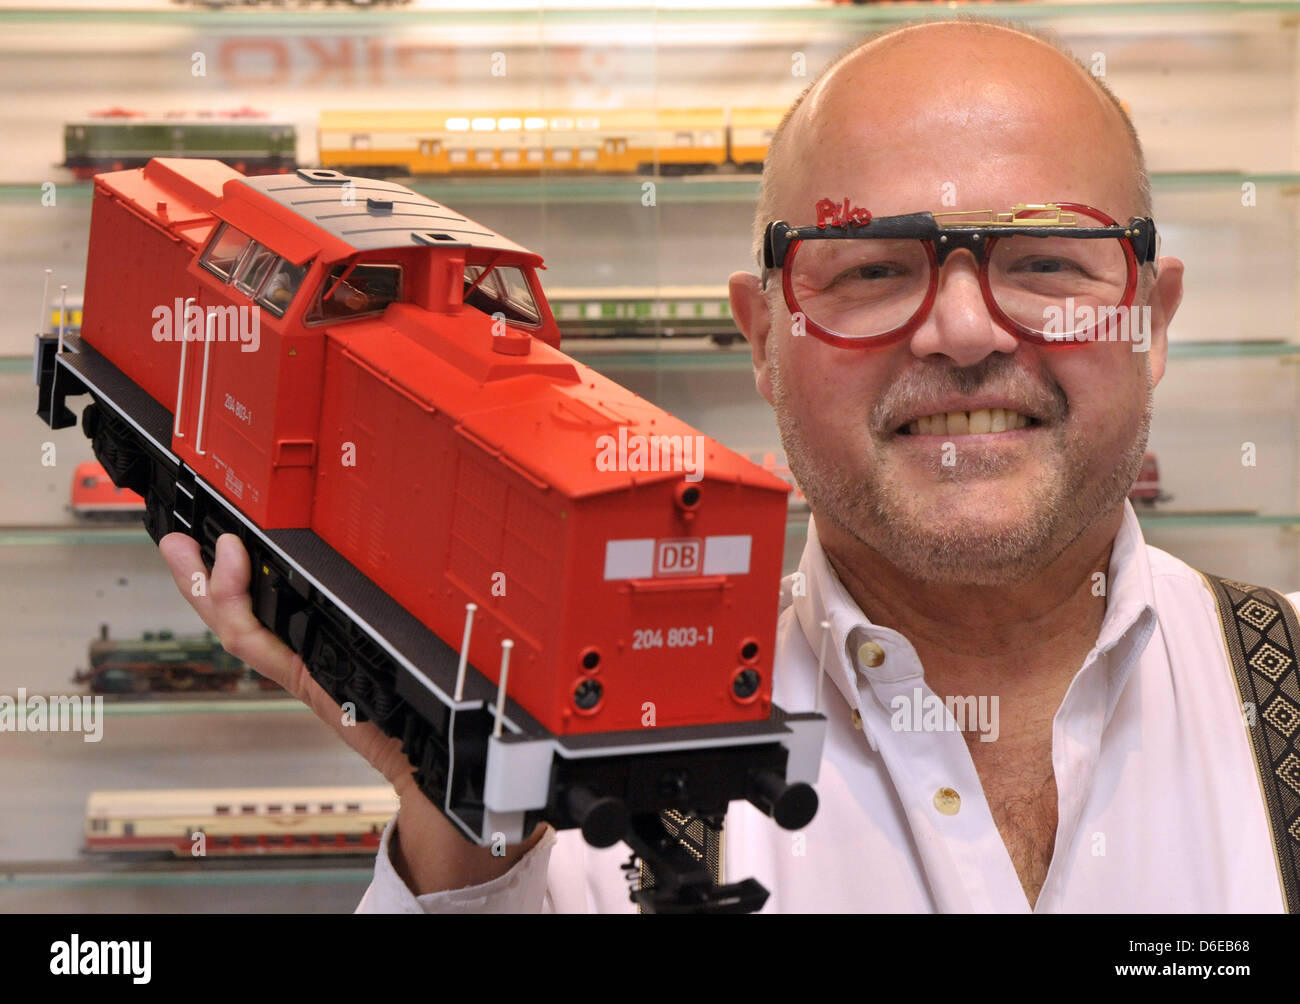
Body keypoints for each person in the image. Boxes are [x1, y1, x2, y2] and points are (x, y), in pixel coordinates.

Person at [159, 17, 1294, 912]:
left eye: (1047, 259)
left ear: (1149, 322)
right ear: (761, 337)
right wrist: (460, 824)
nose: (961, 329)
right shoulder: (576, 784)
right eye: (870, 271)